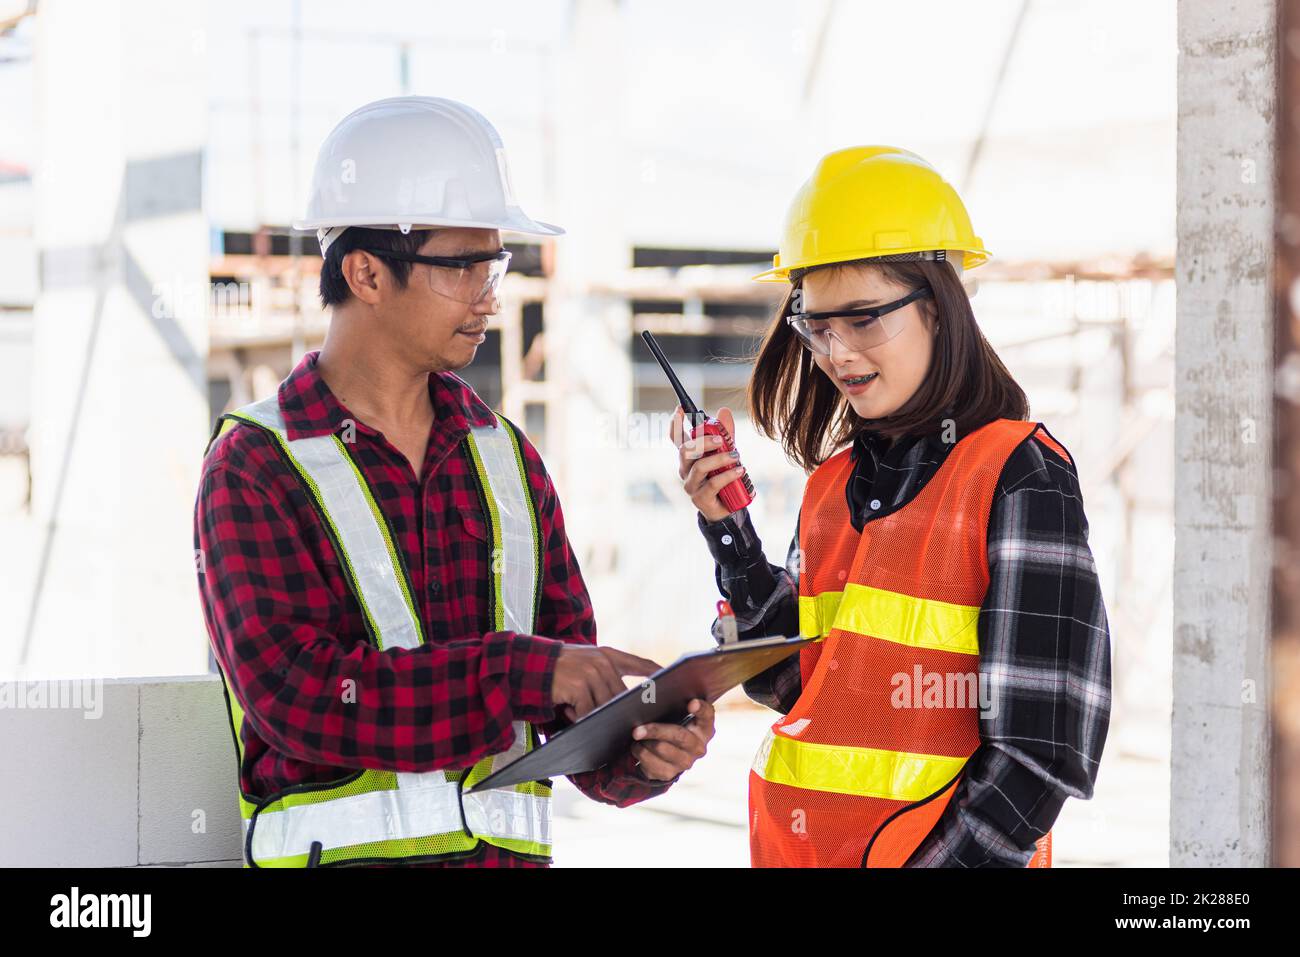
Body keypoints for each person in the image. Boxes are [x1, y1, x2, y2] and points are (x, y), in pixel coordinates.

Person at [194, 96, 714, 868]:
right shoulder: (258, 463)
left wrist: (638, 748)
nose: (489, 294)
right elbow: (297, 694)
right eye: (462, 265)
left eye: (493, 263)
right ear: (367, 272)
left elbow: (564, 706)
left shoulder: (507, 460)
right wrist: (517, 671)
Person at [670, 146, 1111, 867]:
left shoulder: (1018, 474)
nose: (836, 351)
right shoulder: (831, 487)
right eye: (817, 326)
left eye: (865, 318)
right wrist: (731, 534)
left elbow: (1040, 758)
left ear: (938, 308)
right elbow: (799, 683)